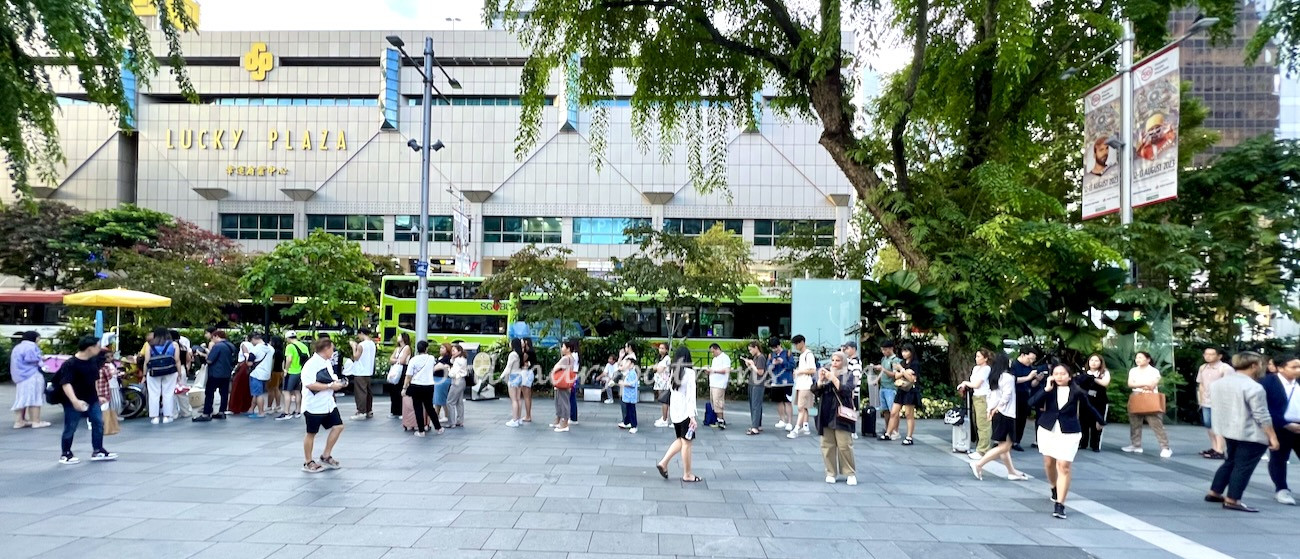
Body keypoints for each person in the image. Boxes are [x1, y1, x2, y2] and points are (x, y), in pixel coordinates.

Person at [1204, 352, 1280, 513]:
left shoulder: (1219, 383)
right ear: (1253, 366)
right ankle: (1233, 499)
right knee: (1243, 466)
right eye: (1261, 364)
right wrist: (1272, 437)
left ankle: (1215, 492)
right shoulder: (1254, 387)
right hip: (1250, 432)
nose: (1262, 368)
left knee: (1230, 461)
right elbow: (1261, 414)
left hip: (1227, 429)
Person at [1031, 364, 1106, 520]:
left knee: (1064, 466)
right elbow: (1031, 403)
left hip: (1069, 431)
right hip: (1047, 429)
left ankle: (1060, 504)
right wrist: (1045, 389)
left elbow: (1089, 407)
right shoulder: (1049, 390)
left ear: (1069, 376)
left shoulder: (1077, 391)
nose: (1059, 376)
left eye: (1063, 373)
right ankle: (1053, 487)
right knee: (1048, 462)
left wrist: (1100, 421)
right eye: (1056, 373)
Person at [52, 336, 117, 465]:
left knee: (98, 422)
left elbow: (94, 381)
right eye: (97, 346)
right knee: (71, 426)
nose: (100, 349)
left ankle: (98, 450)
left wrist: (98, 396)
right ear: (89, 348)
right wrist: (75, 401)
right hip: (73, 400)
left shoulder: (93, 361)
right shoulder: (71, 364)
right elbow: (66, 383)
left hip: (91, 398)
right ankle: (66, 453)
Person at [971, 352, 1030, 482]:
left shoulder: (994, 376)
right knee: (1005, 445)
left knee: (1003, 445)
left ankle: (1012, 472)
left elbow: (991, 395)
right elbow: (1007, 395)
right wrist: (998, 408)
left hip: (997, 412)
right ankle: (979, 464)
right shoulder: (1007, 377)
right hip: (1006, 413)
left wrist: (990, 409)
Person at [299, 337, 347, 473]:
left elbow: (331, 379)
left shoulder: (327, 362)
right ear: (326, 349)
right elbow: (309, 384)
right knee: (311, 433)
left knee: (338, 426)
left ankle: (326, 455)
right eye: (332, 348)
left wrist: (338, 383)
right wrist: (329, 386)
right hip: (313, 405)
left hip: (328, 403)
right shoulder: (311, 364)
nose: (333, 351)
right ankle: (308, 461)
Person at [656, 346, 700, 482]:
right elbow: (690, 396)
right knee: (687, 443)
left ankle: (663, 463)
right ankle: (687, 474)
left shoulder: (673, 371)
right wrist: (692, 416)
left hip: (675, 412)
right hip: (685, 412)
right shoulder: (690, 373)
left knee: (682, 440)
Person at [1260, 353, 1300, 506]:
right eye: (1294, 367)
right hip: (1280, 427)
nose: (1298, 370)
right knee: (1279, 458)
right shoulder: (1267, 383)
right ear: (1280, 368)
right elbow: (1265, 407)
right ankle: (1281, 489)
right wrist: (1284, 423)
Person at [815, 351, 857, 485]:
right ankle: (830, 472)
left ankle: (849, 473)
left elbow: (845, 390)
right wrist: (821, 381)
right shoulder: (826, 373)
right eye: (832, 360)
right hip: (826, 412)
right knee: (827, 445)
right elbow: (815, 391)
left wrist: (833, 378)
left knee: (845, 445)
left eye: (837, 360)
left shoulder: (849, 375)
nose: (834, 363)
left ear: (843, 361)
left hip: (842, 414)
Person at [1123, 351, 1172, 457]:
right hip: (1136, 396)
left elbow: (1152, 384)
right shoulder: (1133, 370)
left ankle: (1165, 447)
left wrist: (1140, 385)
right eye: (1136, 358)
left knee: (1156, 423)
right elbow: (1130, 384)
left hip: (1150, 396)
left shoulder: (1154, 371)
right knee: (1134, 422)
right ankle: (1136, 445)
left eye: (1141, 357)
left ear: (1148, 359)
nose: (1138, 360)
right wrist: (1144, 384)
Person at [1197, 347, 1233, 459]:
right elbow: (1201, 384)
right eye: (1206, 354)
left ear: (1219, 356)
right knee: (1208, 425)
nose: (1208, 356)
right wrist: (1200, 399)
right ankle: (1214, 447)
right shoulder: (1203, 368)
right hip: (1206, 401)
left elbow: (1230, 385)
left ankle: (1220, 450)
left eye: (1212, 354)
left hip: (1220, 402)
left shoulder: (1225, 368)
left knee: (1218, 426)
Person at [402, 340, 444, 436]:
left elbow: (408, 376)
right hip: (429, 385)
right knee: (429, 407)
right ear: (426, 348)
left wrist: (404, 388)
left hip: (416, 385)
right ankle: (438, 428)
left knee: (418, 408)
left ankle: (421, 431)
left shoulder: (413, 360)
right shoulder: (431, 358)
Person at [958, 349, 994, 460]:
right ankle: (981, 446)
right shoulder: (976, 368)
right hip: (976, 397)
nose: (976, 358)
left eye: (979, 356)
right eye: (976, 356)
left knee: (983, 424)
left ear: (985, 358)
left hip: (983, 397)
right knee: (977, 423)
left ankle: (983, 450)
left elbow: (977, 384)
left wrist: (965, 383)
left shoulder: (986, 369)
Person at [883, 344, 921, 446]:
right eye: (903, 351)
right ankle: (888, 433)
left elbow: (912, 379)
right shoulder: (902, 363)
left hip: (911, 390)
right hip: (901, 389)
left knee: (909, 414)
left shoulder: (915, 364)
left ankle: (909, 437)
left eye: (906, 351)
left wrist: (902, 371)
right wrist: (905, 372)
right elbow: (896, 376)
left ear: (911, 352)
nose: (904, 354)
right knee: (894, 412)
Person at [10, 331, 49, 429]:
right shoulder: (31, 346)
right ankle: (36, 421)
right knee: (35, 398)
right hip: (31, 375)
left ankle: (19, 421)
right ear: (35, 338)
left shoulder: (17, 347)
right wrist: (41, 360)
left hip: (20, 376)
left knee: (21, 398)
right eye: (39, 338)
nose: (39, 340)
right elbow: (30, 359)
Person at [194, 330, 236, 422]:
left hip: (215, 373)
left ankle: (206, 413)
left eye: (213, 338)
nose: (212, 340)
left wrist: (203, 356)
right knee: (224, 393)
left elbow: (210, 360)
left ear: (216, 336)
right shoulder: (231, 346)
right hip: (226, 373)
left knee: (209, 393)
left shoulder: (218, 346)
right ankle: (222, 412)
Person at [1011, 347, 1046, 451]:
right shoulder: (1013, 365)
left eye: (1033, 360)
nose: (1031, 361)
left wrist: (1037, 380)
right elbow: (1013, 380)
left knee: (1022, 419)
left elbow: (1031, 384)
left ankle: (1017, 441)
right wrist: (1028, 377)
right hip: (1013, 394)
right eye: (1029, 359)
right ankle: (1007, 440)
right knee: (1012, 418)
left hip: (1025, 395)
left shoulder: (1030, 368)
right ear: (1022, 355)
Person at [1075, 354, 1111, 452]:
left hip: (1099, 400)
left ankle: (1095, 444)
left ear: (1100, 362)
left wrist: (1093, 378)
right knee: (1083, 422)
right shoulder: (1083, 372)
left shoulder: (1104, 372)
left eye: (1096, 361)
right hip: (1085, 399)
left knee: (1097, 422)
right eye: (1091, 360)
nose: (1093, 363)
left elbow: (1105, 383)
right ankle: (1083, 443)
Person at [144, 327, 180, 424]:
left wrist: (144, 374)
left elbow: (146, 360)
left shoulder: (149, 345)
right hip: (170, 371)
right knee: (168, 393)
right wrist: (180, 374)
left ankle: (154, 417)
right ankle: (167, 416)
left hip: (153, 372)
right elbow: (177, 360)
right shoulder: (174, 344)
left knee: (153, 394)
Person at [277, 331, 309, 420]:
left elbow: (289, 359)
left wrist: (286, 370)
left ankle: (286, 412)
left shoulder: (290, 346)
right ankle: (298, 411)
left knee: (286, 391)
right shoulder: (304, 346)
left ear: (288, 338)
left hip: (292, 372)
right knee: (297, 391)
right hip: (301, 372)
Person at [788, 335, 815, 439]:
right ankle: (805, 426)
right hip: (801, 384)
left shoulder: (808, 354)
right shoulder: (803, 354)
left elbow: (812, 370)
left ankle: (796, 429)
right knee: (804, 406)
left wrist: (799, 371)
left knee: (801, 407)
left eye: (796, 344)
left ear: (802, 342)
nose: (795, 346)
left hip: (806, 384)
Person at [873, 340, 902, 438]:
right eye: (882, 350)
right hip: (883, 387)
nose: (883, 352)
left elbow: (895, 375)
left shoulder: (895, 360)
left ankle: (895, 431)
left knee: (893, 411)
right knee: (885, 410)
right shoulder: (884, 359)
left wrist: (883, 369)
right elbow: (882, 372)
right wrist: (877, 379)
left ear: (891, 349)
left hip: (891, 388)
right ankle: (888, 428)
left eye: (885, 350)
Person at [741, 341, 769, 436]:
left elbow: (760, 372)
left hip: (758, 384)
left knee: (755, 405)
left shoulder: (761, 357)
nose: (750, 352)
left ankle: (755, 427)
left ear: (756, 347)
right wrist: (749, 364)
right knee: (755, 405)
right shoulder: (756, 357)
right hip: (753, 383)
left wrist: (752, 365)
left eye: (751, 349)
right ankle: (757, 424)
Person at [768, 338, 795, 431]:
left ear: (780, 345)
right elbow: (768, 368)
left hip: (787, 381)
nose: (775, 350)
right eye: (773, 348)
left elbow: (792, 365)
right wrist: (773, 364)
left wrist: (783, 362)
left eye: (776, 347)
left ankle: (789, 422)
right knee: (779, 401)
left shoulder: (787, 353)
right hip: (776, 382)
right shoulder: (771, 355)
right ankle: (782, 420)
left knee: (787, 402)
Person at [350, 328, 377, 420]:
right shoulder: (372, 344)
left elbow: (356, 357)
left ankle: (361, 411)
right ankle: (369, 410)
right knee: (368, 391)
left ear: (361, 333)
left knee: (360, 392)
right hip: (368, 371)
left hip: (360, 371)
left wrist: (354, 347)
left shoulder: (361, 345)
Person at [550, 340, 577, 433]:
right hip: (566, 382)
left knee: (563, 402)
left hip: (561, 382)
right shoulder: (571, 358)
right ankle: (562, 421)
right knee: (564, 401)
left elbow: (556, 367)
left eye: (563, 346)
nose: (562, 348)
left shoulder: (565, 358)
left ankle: (564, 424)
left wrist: (553, 373)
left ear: (568, 349)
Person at [246, 333, 274, 419]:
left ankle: (261, 412)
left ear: (254, 339)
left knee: (258, 394)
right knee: (257, 393)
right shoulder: (270, 348)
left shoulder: (255, 349)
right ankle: (251, 409)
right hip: (266, 373)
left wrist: (247, 357)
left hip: (256, 373)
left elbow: (249, 363)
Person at [386, 333, 412, 419]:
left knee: (400, 389)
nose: (398, 337)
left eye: (399, 336)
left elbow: (403, 360)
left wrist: (396, 360)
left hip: (403, 370)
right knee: (393, 389)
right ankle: (394, 411)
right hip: (396, 369)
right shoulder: (397, 348)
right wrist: (397, 360)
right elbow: (391, 359)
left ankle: (402, 411)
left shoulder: (407, 347)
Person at [842, 341, 863, 439]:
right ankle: (849, 429)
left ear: (854, 349)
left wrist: (853, 390)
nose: (846, 350)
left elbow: (856, 377)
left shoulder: (856, 361)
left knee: (852, 411)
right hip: (847, 389)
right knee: (848, 410)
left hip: (852, 391)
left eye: (848, 348)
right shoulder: (848, 360)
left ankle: (853, 431)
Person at [505, 338, 528, 427]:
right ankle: (518, 419)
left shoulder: (512, 354)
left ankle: (514, 419)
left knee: (514, 399)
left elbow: (508, 367)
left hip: (513, 376)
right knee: (518, 399)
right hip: (520, 376)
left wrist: (501, 376)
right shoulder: (521, 354)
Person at [708, 343, 731, 429]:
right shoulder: (715, 359)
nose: (712, 354)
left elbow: (726, 370)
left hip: (720, 384)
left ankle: (720, 420)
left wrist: (714, 371)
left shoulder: (725, 358)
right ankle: (718, 419)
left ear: (717, 349)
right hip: (713, 383)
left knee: (718, 402)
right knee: (714, 402)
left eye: (713, 351)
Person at [446, 343, 469, 428]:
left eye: (454, 350)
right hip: (462, 381)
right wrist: (453, 358)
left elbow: (452, 373)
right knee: (459, 402)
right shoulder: (462, 359)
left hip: (456, 381)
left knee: (450, 402)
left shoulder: (458, 361)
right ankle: (460, 421)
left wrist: (448, 369)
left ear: (459, 351)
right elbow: (452, 361)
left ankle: (451, 422)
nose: (452, 352)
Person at [229, 339, 254, 415]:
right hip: (249, 367)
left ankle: (235, 407)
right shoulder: (255, 346)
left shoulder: (244, 344)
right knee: (246, 388)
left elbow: (246, 354)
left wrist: (247, 361)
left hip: (243, 365)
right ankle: (245, 406)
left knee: (237, 387)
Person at [618, 350, 640, 434]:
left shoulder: (632, 373)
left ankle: (634, 425)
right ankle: (626, 422)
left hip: (631, 397)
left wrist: (623, 383)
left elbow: (632, 384)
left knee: (631, 411)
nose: (625, 364)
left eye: (627, 363)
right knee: (627, 410)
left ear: (632, 365)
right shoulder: (628, 372)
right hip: (627, 396)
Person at [652, 343, 672, 427]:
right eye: (660, 348)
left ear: (666, 350)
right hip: (660, 382)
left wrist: (656, 367)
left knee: (665, 401)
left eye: (663, 348)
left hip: (664, 383)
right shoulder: (660, 358)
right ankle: (664, 417)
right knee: (662, 400)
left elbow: (659, 369)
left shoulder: (667, 358)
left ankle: (665, 419)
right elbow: (655, 368)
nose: (660, 350)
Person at [432, 343, 452, 422]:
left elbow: (436, 368)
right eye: (440, 348)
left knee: (441, 399)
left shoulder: (447, 359)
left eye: (443, 348)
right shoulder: (440, 358)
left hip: (441, 379)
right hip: (437, 379)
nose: (441, 349)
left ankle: (444, 415)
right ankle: (438, 415)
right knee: (438, 398)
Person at [521, 338, 537, 423]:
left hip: (526, 373)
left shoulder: (527, 353)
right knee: (528, 396)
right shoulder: (532, 352)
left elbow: (521, 360)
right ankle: (528, 415)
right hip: (530, 373)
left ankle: (528, 415)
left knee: (526, 396)